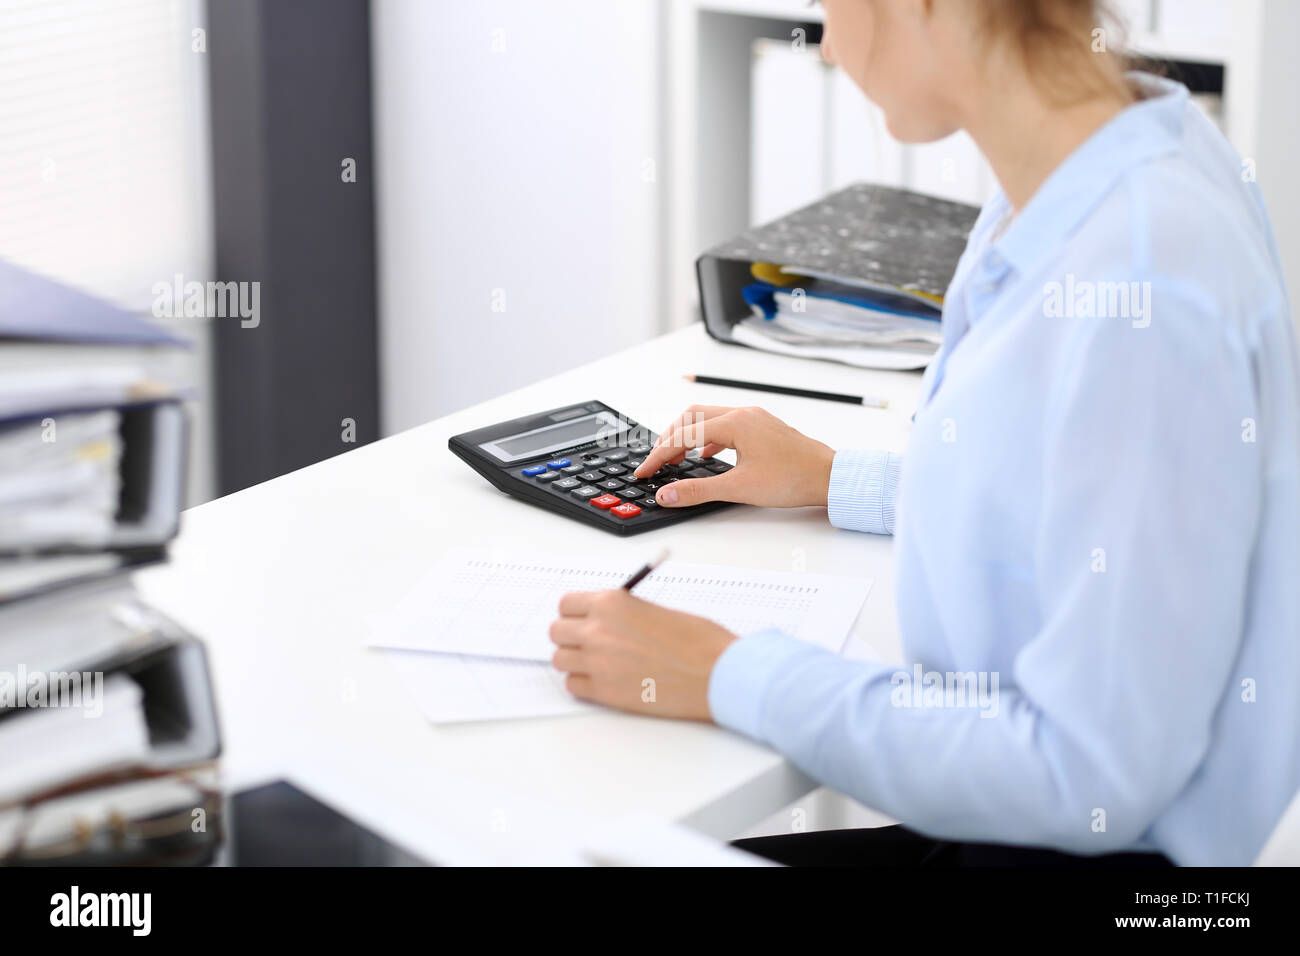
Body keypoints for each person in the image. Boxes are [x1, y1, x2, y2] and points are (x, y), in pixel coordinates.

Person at [548, 0, 1300, 866]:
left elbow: (1086, 774)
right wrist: (832, 476)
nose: (828, 45)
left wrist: (727, 674)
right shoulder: (1117, 155)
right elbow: (1077, 502)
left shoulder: (1146, 286)